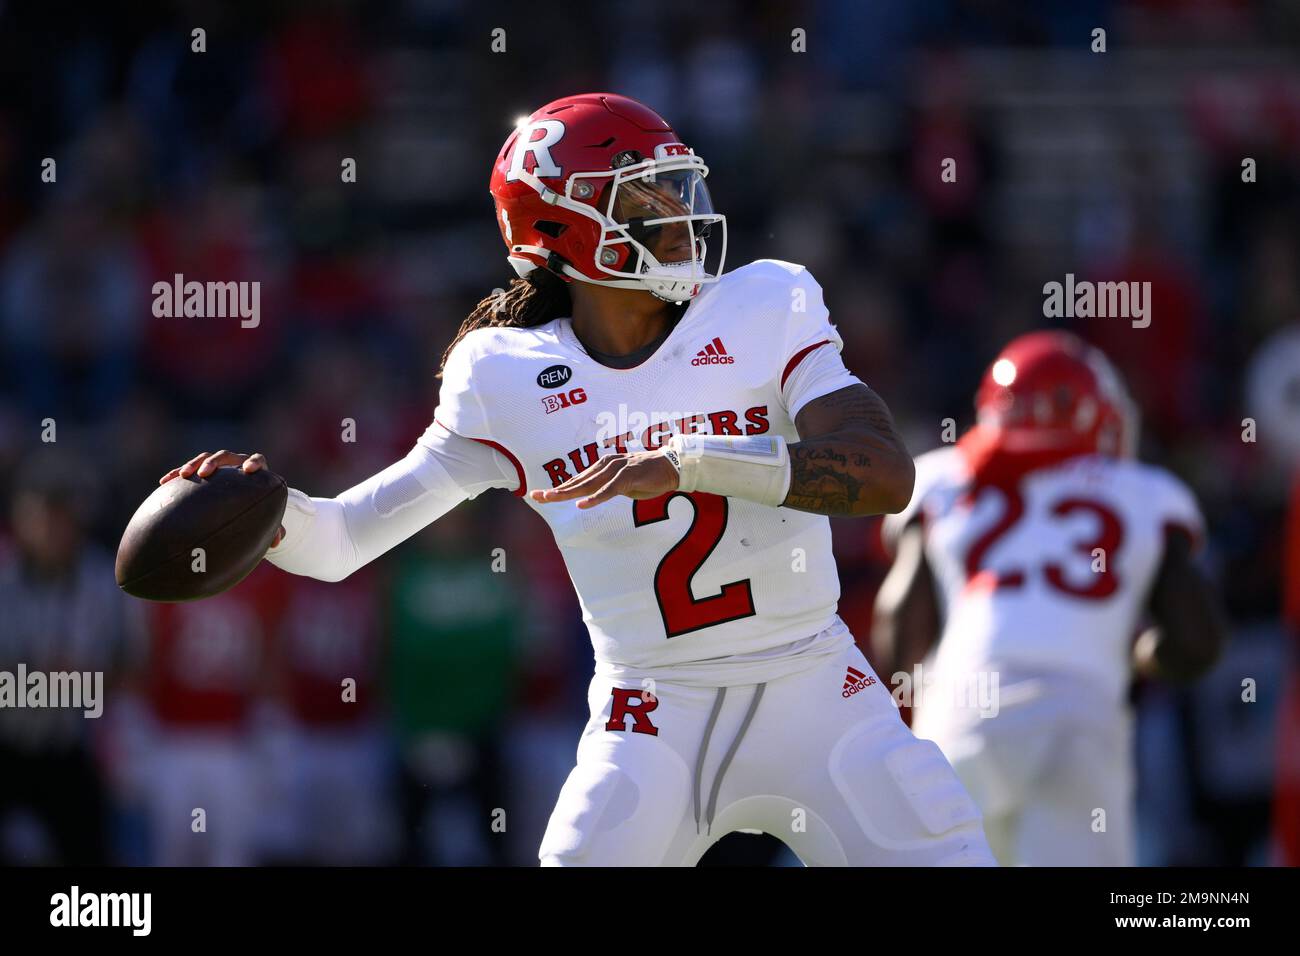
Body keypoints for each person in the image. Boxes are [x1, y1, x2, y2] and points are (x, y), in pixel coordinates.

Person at [160, 93, 994, 867]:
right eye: (642, 197)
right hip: (652, 712)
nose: (677, 214)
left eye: (675, 185)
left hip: (816, 684)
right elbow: (342, 542)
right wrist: (267, 513)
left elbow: (883, 476)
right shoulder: (505, 377)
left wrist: (693, 462)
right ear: (558, 230)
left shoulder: (763, 304)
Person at [872, 330, 1225, 866]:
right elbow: (1198, 642)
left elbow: (900, 624)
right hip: (1078, 717)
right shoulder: (1144, 491)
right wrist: (1133, 652)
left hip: (960, 710)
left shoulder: (943, 477)